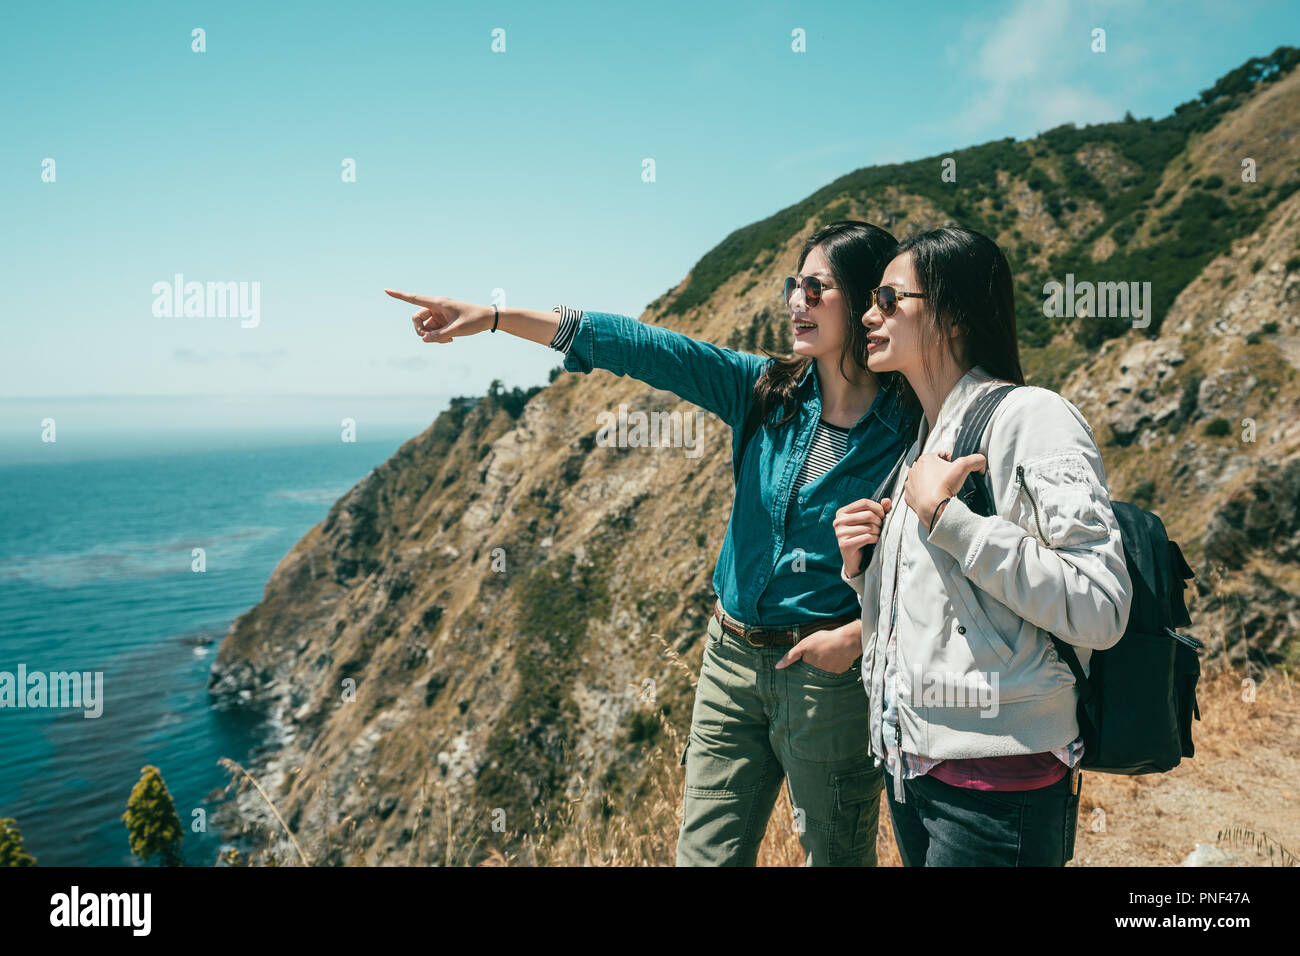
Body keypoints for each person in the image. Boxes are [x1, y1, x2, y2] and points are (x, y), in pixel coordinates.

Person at [385, 220, 919, 865]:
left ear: (864, 299)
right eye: (793, 285)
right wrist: (495, 316)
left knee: (837, 857)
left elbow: (950, 558)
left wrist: (861, 636)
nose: (795, 301)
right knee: (704, 858)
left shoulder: (911, 424)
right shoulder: (761, 390)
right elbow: (641, 346)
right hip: (729, 662)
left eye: (817, 287)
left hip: (827, 680)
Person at [833, 226, 1132, 866]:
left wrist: (947, 516)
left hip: (1000, 785)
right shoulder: (922, 441)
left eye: (889, 298)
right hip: (915, 771)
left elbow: (1099, 605)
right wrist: (865, 570)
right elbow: (957, 607)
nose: (867, 314)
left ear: (952, 313)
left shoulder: (1033, 417)